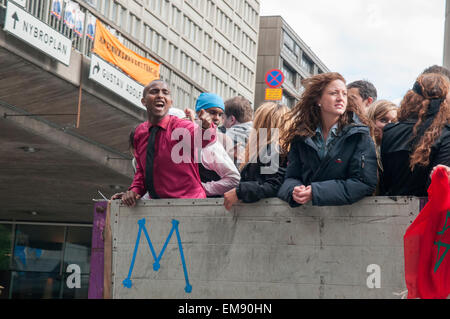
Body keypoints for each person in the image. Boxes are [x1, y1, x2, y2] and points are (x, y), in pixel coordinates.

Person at [277, 72, 378, 207]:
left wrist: (316, 191)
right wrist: (294, 190)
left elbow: (364, 182)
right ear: (318, 100)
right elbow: (291, 177)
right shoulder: (301, 136)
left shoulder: (359, 135)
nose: (340, 98)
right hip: (305, 219)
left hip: (346, 219)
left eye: (344, 94)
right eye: (334, 93)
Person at [120, 80, 216, 206]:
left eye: (165, 92)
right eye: (154, 92)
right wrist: (134, 190)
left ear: (170, 102)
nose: (160, 95)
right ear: (144, 101)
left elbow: (206, 138)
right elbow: (142, 171)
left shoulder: (183, 127)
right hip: (158, 207)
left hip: (189, 205)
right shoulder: (139, 132)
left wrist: (207, 127)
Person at [380, 73, 450, 196]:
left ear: (411, 98)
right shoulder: (446, 135)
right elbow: (439, 186)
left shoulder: (390, 131)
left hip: (389, 208)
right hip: (427, 211)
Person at [223, 102, 290, 210]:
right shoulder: (274, 149)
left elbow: (273, 185)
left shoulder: (273, 149)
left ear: (262, 124)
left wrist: (239, 191)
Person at [183, 94, 240, 197]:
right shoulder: (184, 133)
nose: (216, 118)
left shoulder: (214, 143)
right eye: (213, 112)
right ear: (200, 112)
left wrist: (200, 188)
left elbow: (234, 179)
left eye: (220, 114)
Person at [222, 96, 254, 166]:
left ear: (232, 119)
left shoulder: (228, 137)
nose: (222, 122)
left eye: (223, 118)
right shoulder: (260, 135)